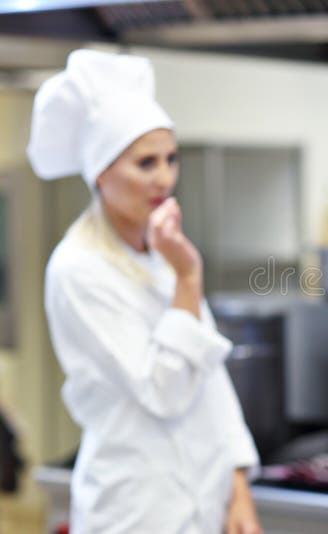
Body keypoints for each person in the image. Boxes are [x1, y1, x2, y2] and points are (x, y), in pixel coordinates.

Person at [27, 49, 262, 534]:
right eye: (145, 162)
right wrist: (190, 279)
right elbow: (164, 390)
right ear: (100, 171)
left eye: (170, 159)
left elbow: (211, 379)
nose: (164, 178)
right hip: (136, 507)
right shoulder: (77, 269)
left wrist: (238, 487)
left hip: (206, 498)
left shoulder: (160, 253)